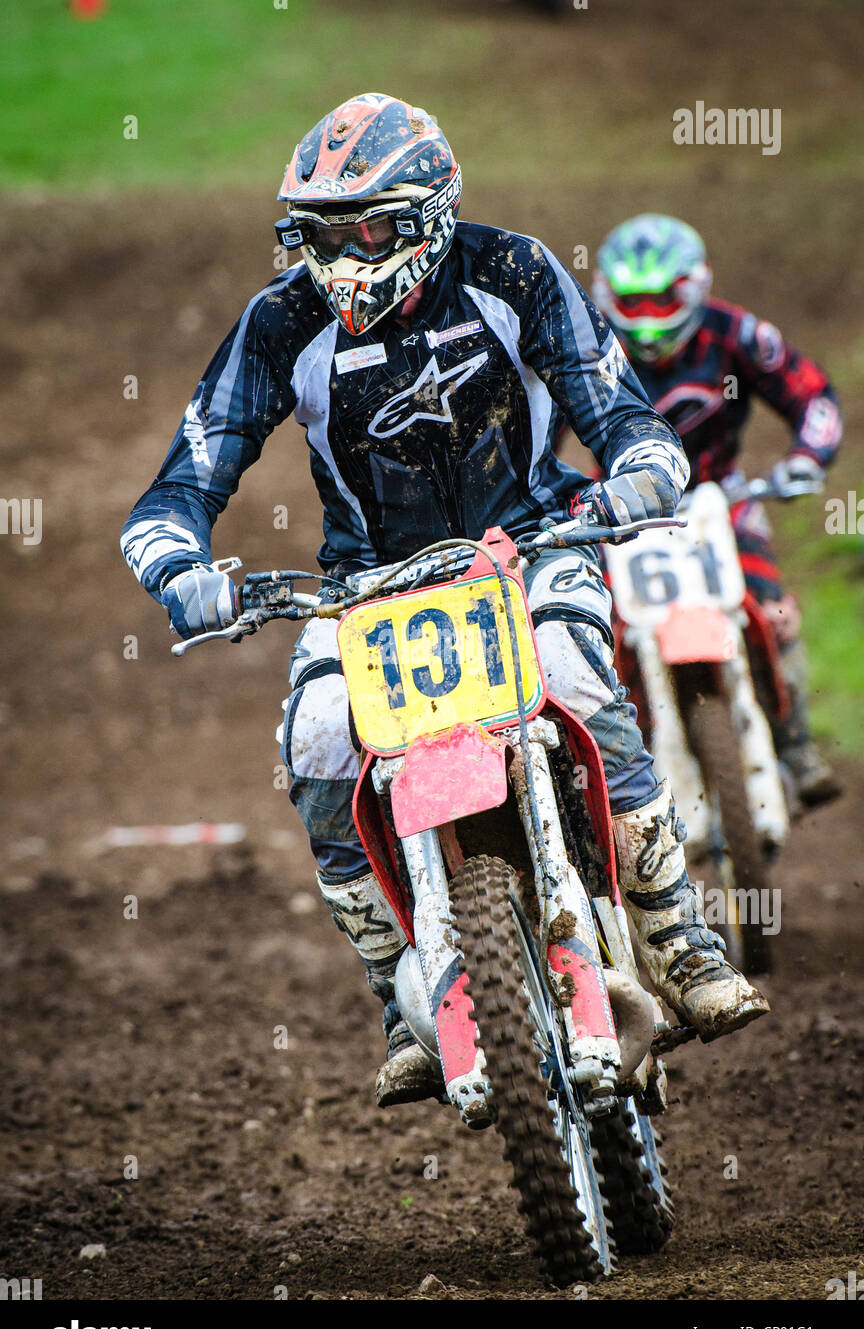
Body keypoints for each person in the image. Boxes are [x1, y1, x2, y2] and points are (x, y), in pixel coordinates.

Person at [121, 95, 768, 1108]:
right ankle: (397, 989)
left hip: (530, 539)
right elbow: (185, 478)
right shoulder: (280, 319)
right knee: (321, 741)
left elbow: (617, 407)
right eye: (322, 232)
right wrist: (179, 567)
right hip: (362, 587)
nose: (344, 253)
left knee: (575, 674)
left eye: (368, 227)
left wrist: (638, 473)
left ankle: (676, 932)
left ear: (428, 211)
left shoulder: (511, 270)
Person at [592, 213, 843, 806]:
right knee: (592, 635)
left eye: (661, 300)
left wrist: (806, 458)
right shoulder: (587, 343)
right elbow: (536, 427)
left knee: (772, 610)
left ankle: (796, 743)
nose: (648, 318)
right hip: (622, 512)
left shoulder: (737, 334)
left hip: (721, 496)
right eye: (634, 302)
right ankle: (618, 776)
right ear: (609, 297)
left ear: (692, 290)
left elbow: (813, 394)